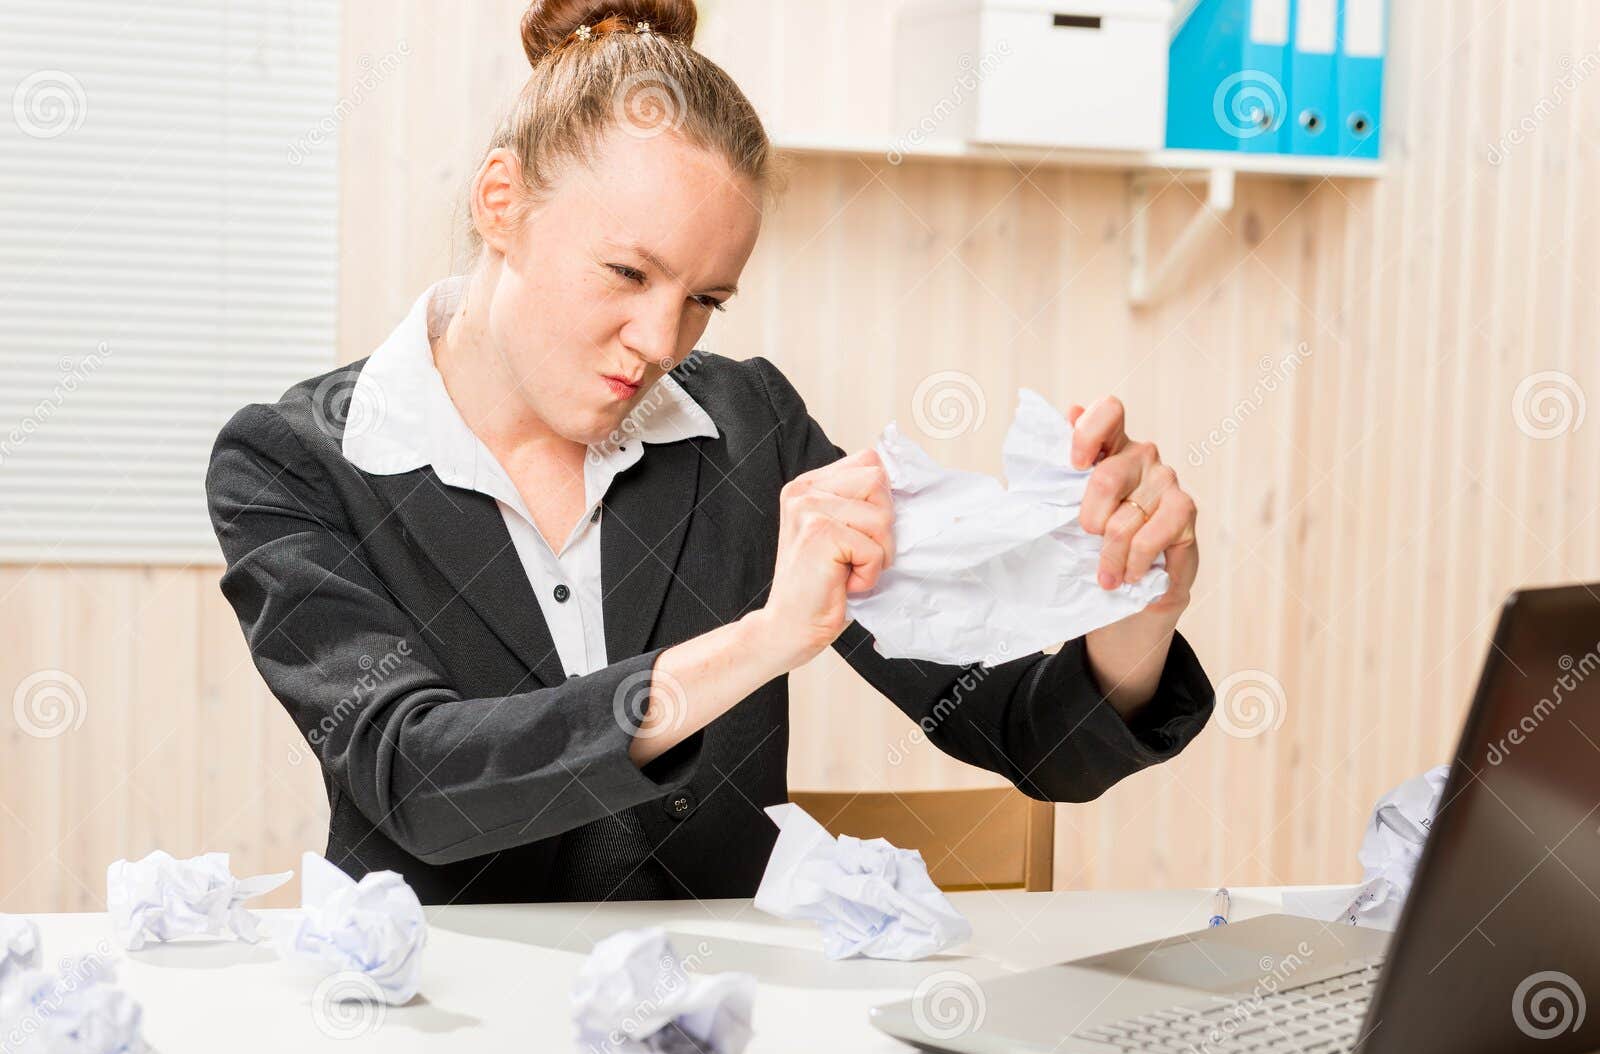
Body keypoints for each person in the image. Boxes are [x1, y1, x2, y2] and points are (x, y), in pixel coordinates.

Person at [205, 0, 1215, 905]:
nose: (660, 342)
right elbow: (416, 781)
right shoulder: (296, 461)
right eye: (626, 272)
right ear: (501, 202)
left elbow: (1020, 732)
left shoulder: (749, 426)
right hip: (444, 1021)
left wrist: (1130, 595)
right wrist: (762, 642)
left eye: (704, 300)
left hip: (717, 1019)